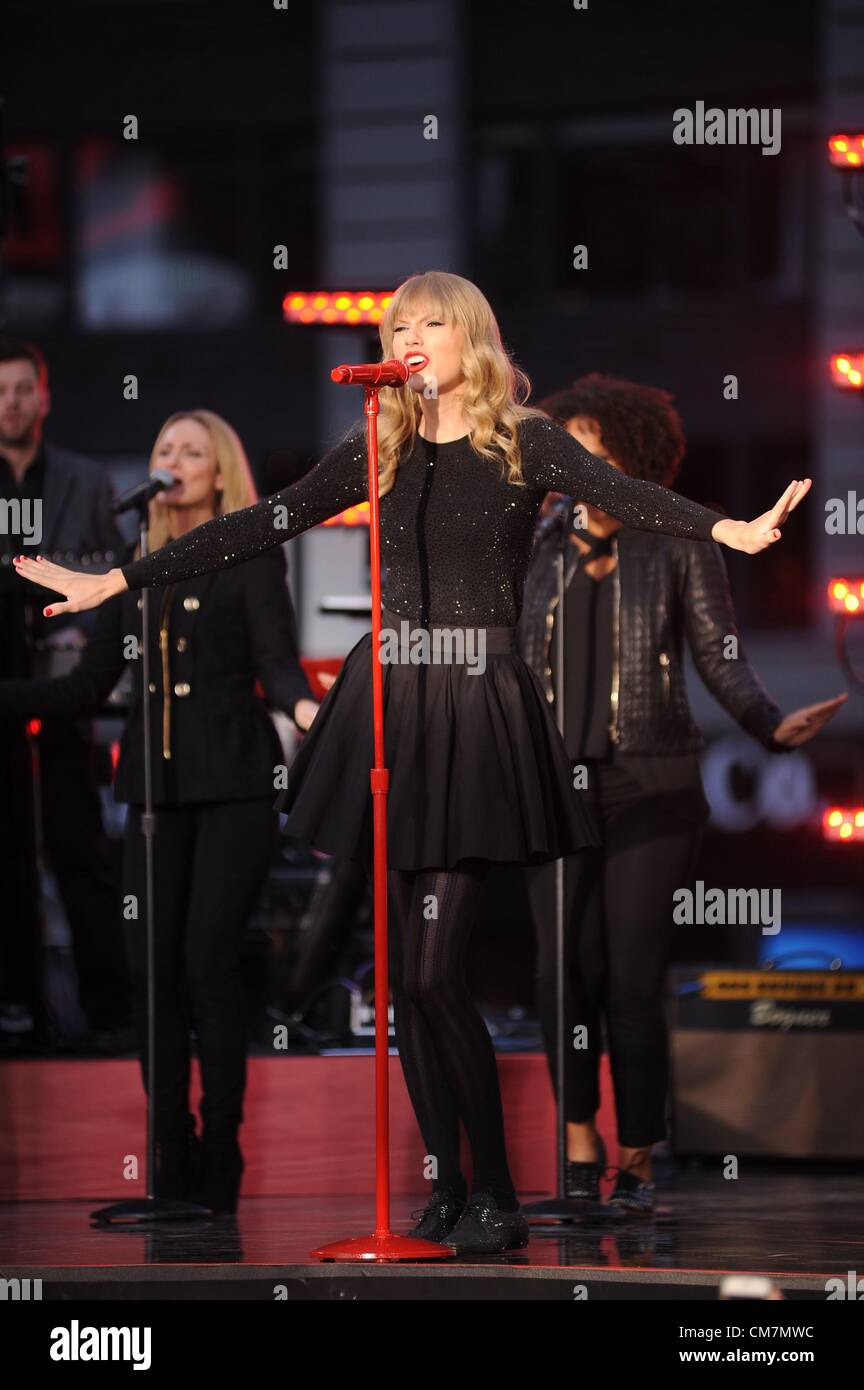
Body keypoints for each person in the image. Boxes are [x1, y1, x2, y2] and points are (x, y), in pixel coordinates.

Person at [12, 271, 812, 1254]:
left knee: (436, 970)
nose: (410, 336)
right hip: (391, 704)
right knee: (402, 981)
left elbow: (622, 492)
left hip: (475, 703)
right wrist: (115, 580)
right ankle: (447, 1193)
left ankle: (500, 1194)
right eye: (398, 324)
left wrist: (726, 527)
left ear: (470, 334)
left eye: (428, 322)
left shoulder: (523, 439)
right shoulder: (381, 446)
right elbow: (264, 522)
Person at [517, 373, 845, 1216]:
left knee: (630, 969)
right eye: (568, 443)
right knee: (561, 972)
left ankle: (638, 1151)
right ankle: (579, 1141)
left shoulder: (677, 542)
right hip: (555, 785)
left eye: (594, 443)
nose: (577, 458)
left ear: (633, 457)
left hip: (652, 781)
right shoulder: (539, 541)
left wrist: (772, 726)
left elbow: (719, 656)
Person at [3, 410, 318, 1213]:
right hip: (154, 789)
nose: (173, 462)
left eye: (191, 451)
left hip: (235, 785)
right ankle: (167, 1166)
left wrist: (313, 712)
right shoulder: (131, 564)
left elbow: (279, 669)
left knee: (207, 966)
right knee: (152, 976)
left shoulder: (249, 554)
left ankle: (220, 1164)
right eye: (163, 450)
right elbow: (84, 686)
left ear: (221, 474)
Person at [0, 336, 131, 1045]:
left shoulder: (85, 477)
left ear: (44, 396)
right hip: (6, 679)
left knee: (80, 847)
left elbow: (105, 575)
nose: (13, 403)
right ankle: (18, 1003)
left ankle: (108, 1011)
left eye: (24, 389)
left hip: (68, 687)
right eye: (2, 391)